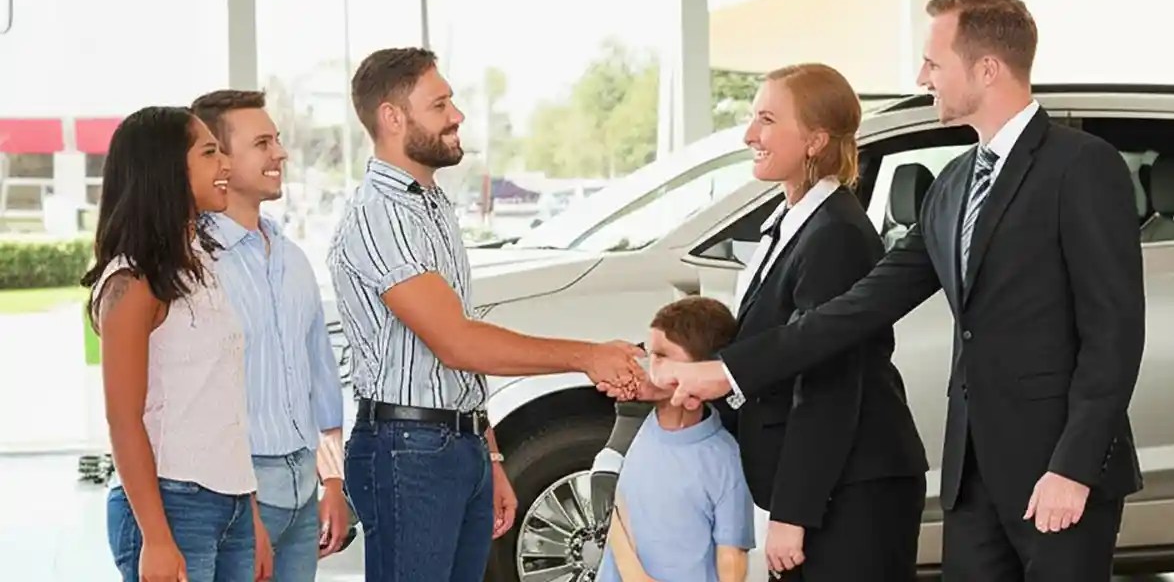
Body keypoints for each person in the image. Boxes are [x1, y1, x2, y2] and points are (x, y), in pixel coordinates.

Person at [648, 0, 1146, 581]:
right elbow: (860, 306)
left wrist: (1074, 467)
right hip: (973, 477)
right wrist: (727, 370)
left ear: (986, 69)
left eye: (934, 63)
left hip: (1057, 473)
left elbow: (1113, 333)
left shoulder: (1081, 167)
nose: (921, 76)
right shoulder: (955, 182)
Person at [326, 47, 645, 581]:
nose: (457, 116)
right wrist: (587, 356)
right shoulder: (381, 216)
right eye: (440, 104)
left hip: (456, 445)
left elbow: (454, 360)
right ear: (392, 117)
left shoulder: (428, 205)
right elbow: (457, 342)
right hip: (410, 454)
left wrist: (489, 453)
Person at [725, 63, 927, 580]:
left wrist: (794, 512)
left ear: (815, 140)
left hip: (853, 489)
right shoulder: (799, 221)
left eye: (767, 119)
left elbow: (829, 382)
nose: (751, 134)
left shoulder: (834, 233)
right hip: (831, 485)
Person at [85, 106, 272, 582]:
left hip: (228, 504)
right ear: (166, 168)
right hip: (171, 507)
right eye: (210, 153)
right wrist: (156, 537)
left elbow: (221, 403)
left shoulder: (200, 264)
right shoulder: (132, 282)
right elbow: (123, 420)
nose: (226, 165)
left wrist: (248, 512)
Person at [191, 90, 350, 581]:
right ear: (219, 157)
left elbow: (320, 382)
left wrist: (333, 481)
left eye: (277, 140)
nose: (280, 153)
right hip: (235, 494)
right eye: (263, 143)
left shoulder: (293, 258)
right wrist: (246, 505)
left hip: (304, 490)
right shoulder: (196, 265)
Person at [597, 296, 755, 582]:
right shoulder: (637, 428)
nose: (644, 364)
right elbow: (616, 508)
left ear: (701, 373)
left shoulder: (724, 460)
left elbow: (732, 558)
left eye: (660, 356)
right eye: (647, 352)